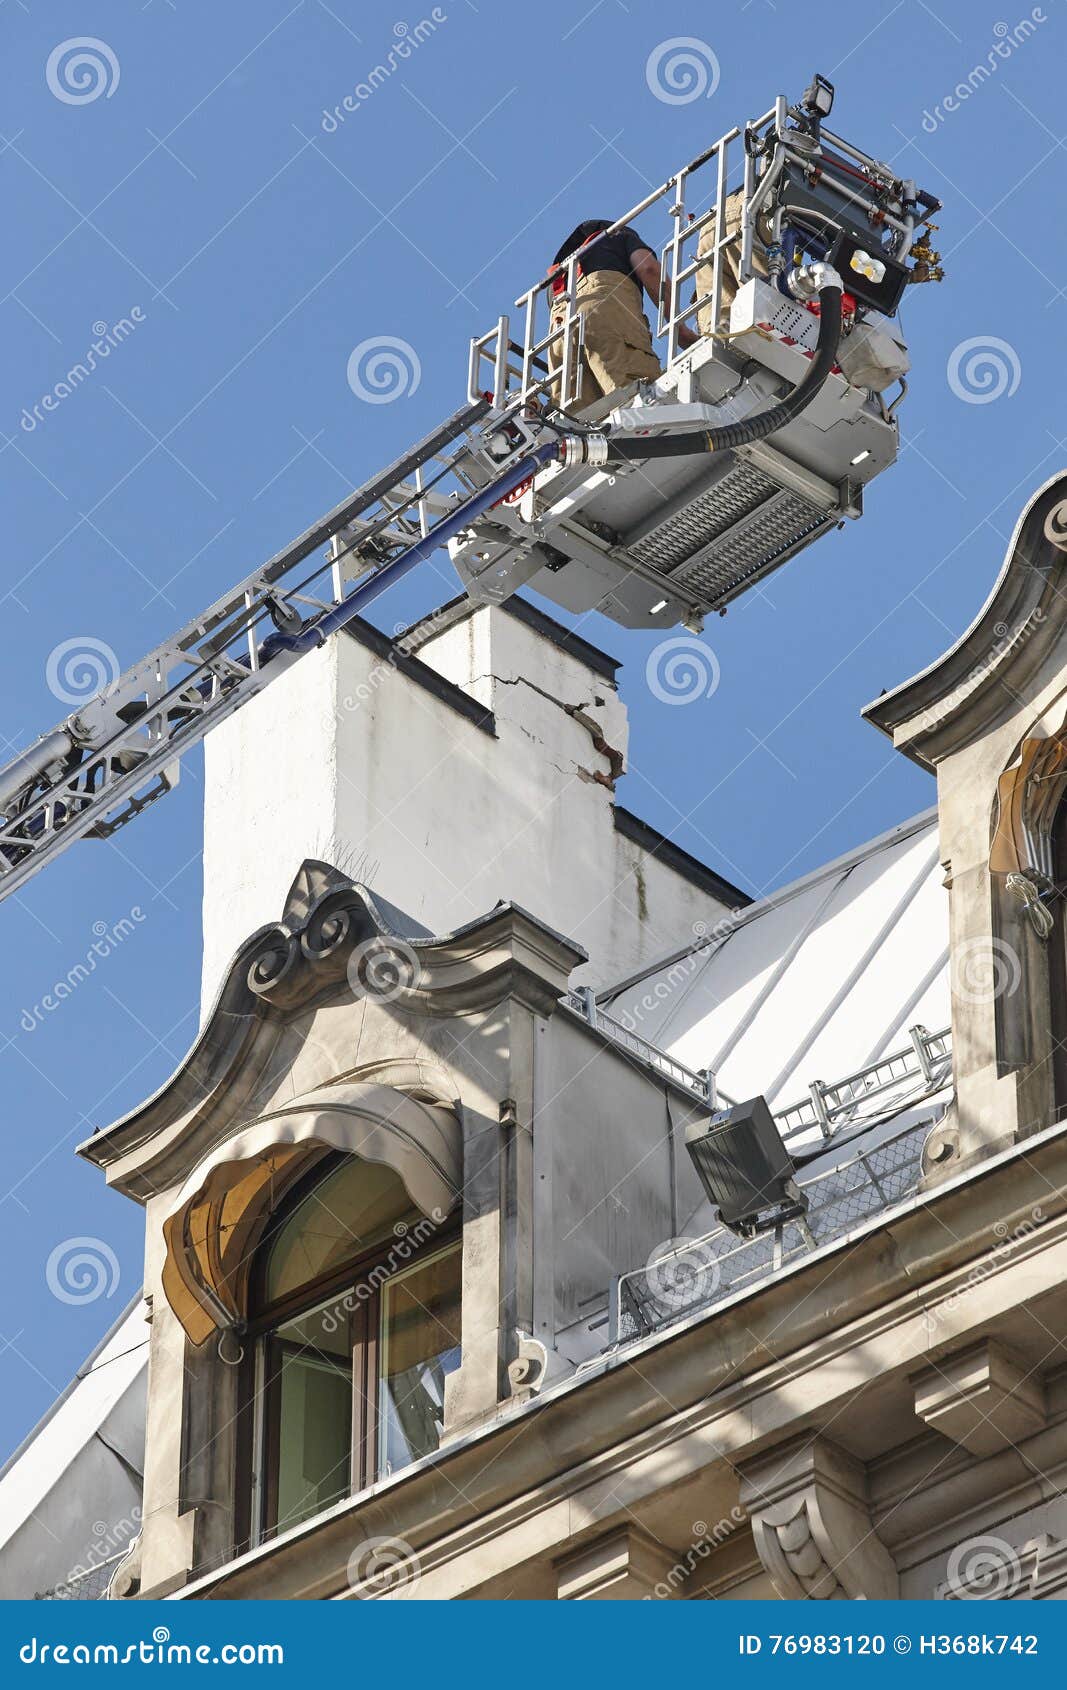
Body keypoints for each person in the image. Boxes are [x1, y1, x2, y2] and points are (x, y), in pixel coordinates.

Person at [546, 219, 697, 412]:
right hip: (602, 312)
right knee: (639, 403)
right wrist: (680, 329)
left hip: (558, 335)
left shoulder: (557, 279)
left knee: (583, 424)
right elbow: (649, 269)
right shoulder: (619, 236)